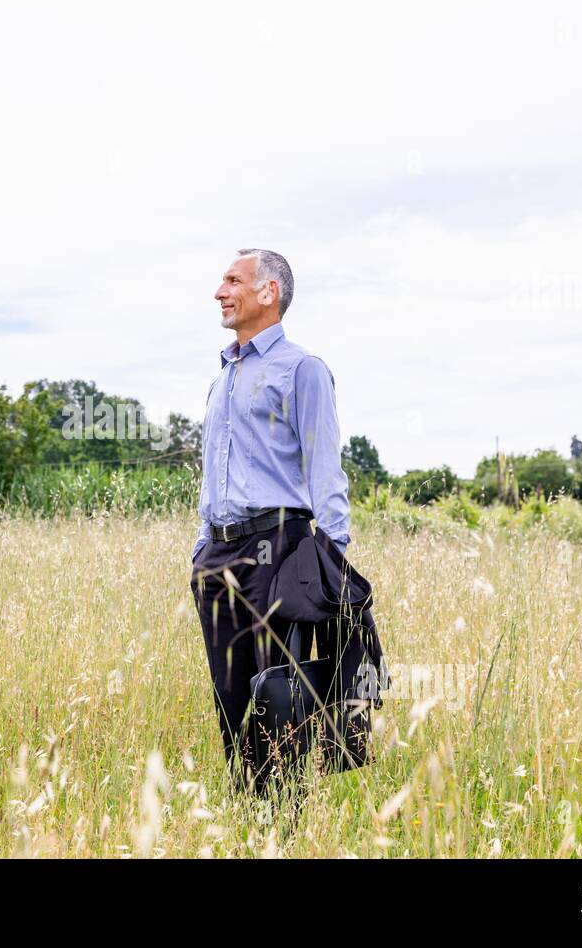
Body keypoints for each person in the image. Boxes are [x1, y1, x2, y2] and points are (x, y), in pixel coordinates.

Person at [189, 248, 351, 792]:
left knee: (277, 698)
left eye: (232, 280)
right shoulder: (221, 380)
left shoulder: (303, 369)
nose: (220, 292)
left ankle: (282, 821)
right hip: (218, 557)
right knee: (231, 700)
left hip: (278, 550)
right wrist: (201, 548)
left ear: (268, 292)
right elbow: (213, 472)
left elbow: (325, 467)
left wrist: (330, 559)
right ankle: (246, 815)